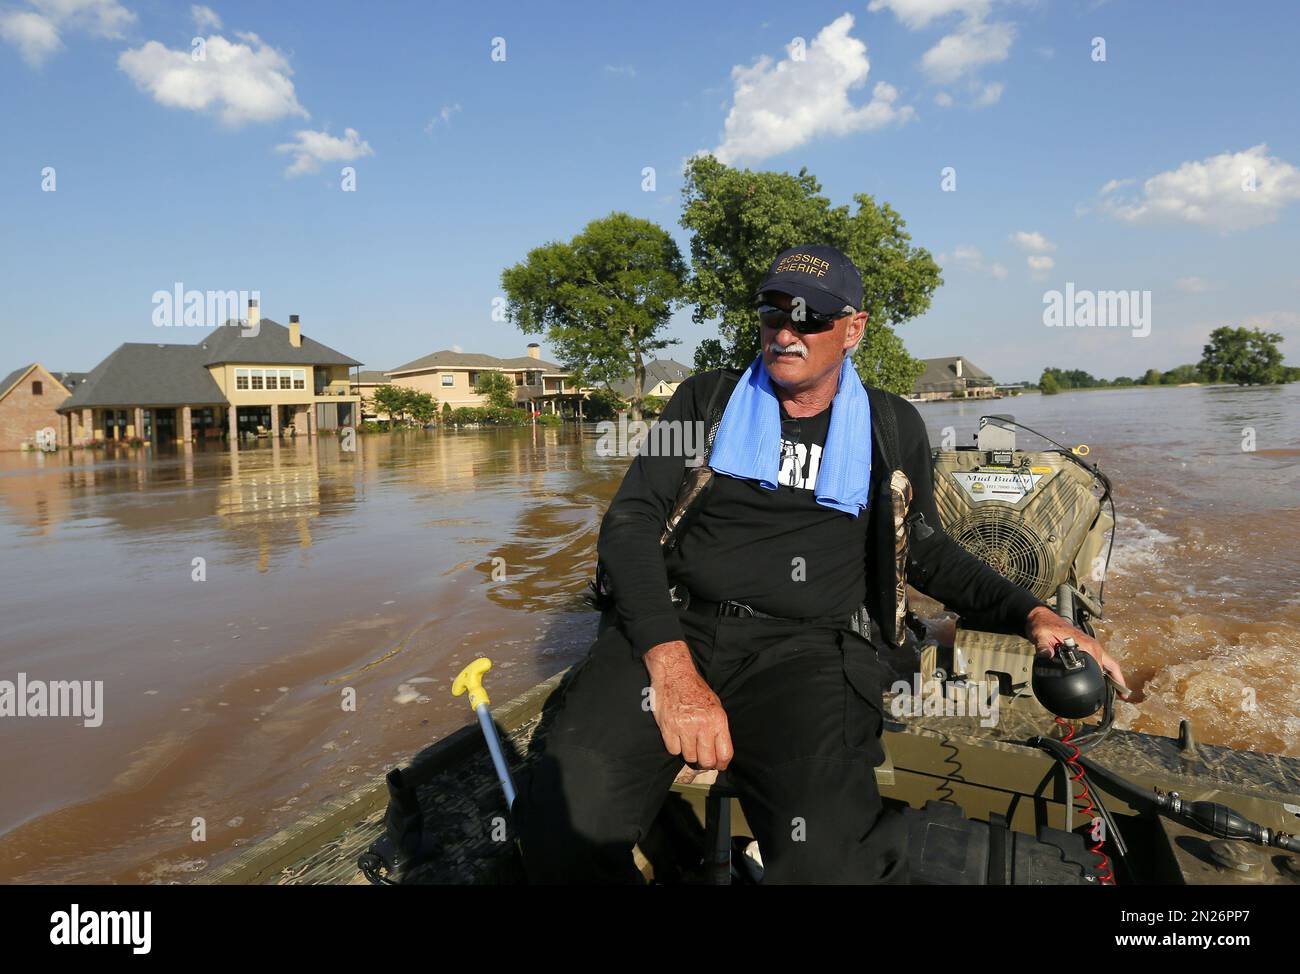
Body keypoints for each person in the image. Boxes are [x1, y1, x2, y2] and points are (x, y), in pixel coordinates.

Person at [515, 244, 1126, 884]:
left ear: (853, 330)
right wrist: (670, 668)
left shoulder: (891, 426)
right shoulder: (705, 402)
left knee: (825, 860)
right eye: (772, 312)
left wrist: (1030, 614)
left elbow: (921, 547)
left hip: (809, 653)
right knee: (560, 825)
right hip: (675, 631)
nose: (785, 332)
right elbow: (630, 522)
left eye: (808, 318)